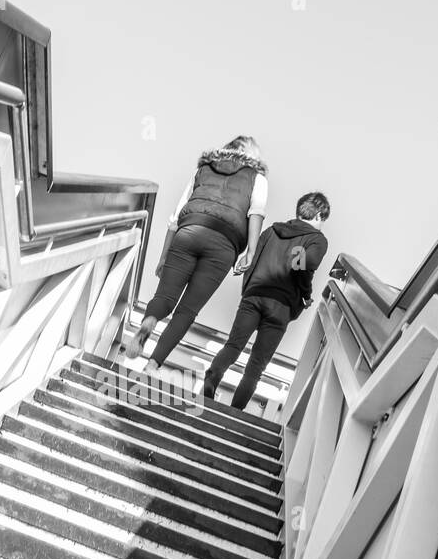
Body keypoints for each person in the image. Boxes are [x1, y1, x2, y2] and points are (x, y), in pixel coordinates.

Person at [124, 136, 268, 369]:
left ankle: (149, 320)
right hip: (223, 244)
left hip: (189, 232)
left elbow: (175, 217)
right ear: (253, 156)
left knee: (164, 298)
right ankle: (152, 365)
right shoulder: (257, 177)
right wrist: (250, 252)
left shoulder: (204, 169)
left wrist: (164, 255)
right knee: (187, 311)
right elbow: (256, 212)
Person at [202, 191, 331, 410]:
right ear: (319, 215)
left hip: (254, 295)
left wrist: (248, 291)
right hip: (280, 305)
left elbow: (252, 260)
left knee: (233, 346)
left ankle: (210, 382)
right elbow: (303, 264)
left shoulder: (272, 231)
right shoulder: (315, 239)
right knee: (256, 365)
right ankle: (235, 412)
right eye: (323, 221)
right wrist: (306, 295)